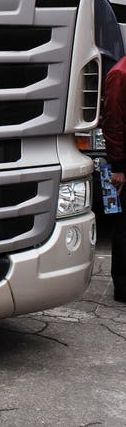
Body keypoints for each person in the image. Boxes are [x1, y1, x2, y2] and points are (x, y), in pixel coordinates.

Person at [102, 54, 126, 302]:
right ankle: (123, 286)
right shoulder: (119, 73)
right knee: (123, 227)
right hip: (123, 163)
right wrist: (117, 165)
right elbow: (113, 122)